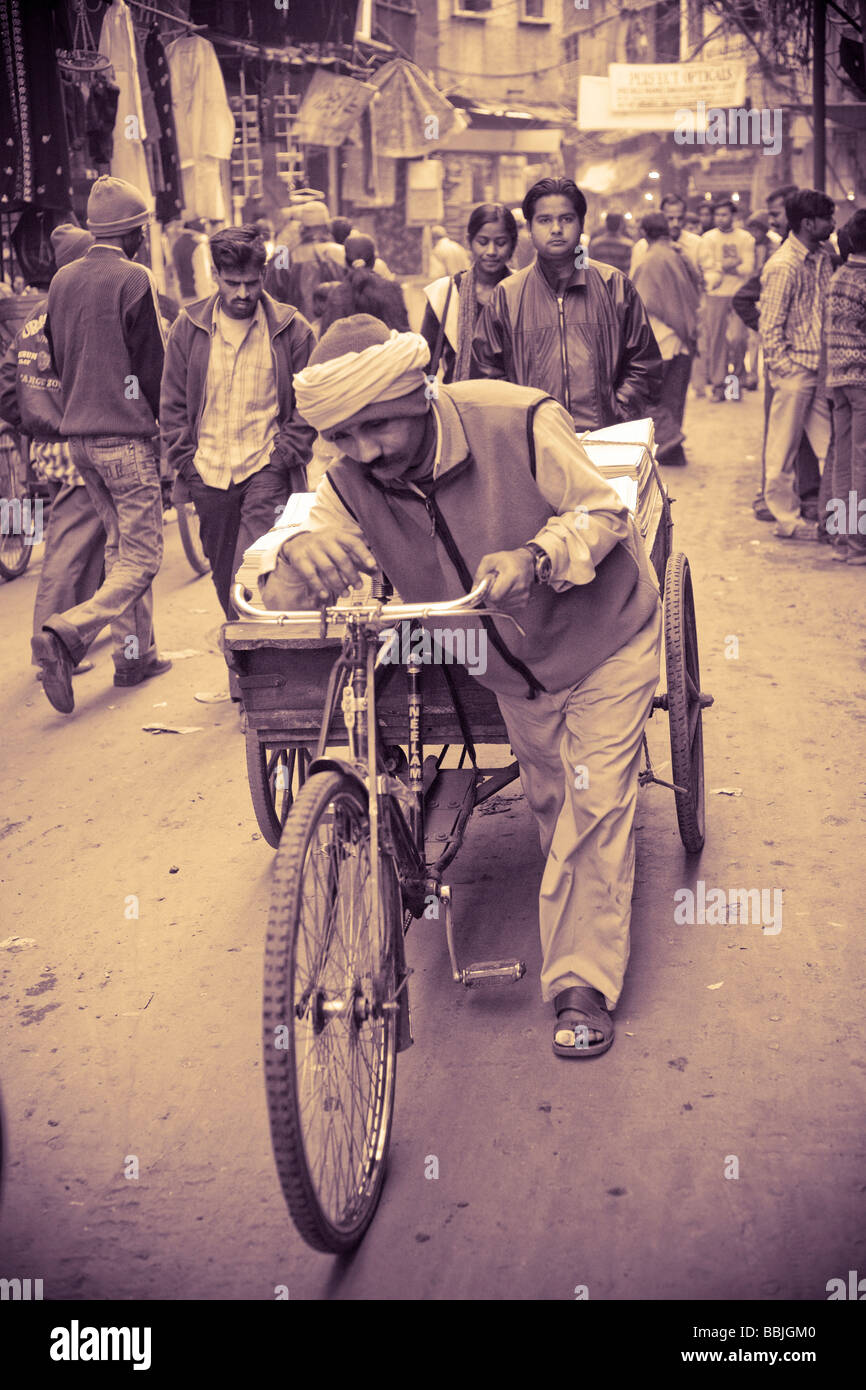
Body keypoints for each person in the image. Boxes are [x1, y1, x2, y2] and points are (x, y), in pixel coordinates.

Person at [257, 315, 663, 1060]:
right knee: (554, 804)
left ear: (417, 392)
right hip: (509, 672)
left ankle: (581, 981)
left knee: (596, 802)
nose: (363, 450)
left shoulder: (518, 418)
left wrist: (537, 557)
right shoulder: (351, 478)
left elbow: (605, 510)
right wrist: (300, 551)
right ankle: (580, 908)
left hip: (604, 642)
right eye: (343, 436)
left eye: (376, 426)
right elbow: (287, 574)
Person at [34, 176, 169, 714]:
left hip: (81, 440)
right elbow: (151, 367)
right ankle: (69, 630)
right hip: (124, 438)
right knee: (142, 558)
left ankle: (134, 657)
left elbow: (55, 351)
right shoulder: (134, 278)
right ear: (135, 232)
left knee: (119, 550)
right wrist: (167, 431)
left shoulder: (62, 280)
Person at [160, 225, 316, 619]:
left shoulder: (291, 329)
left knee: (250, 579)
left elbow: (311, 402)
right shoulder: (188, 327)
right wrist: (186, 463)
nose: (243, 293)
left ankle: (257, 668)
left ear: (264, 274)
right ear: (215, 275)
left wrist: (283, 456)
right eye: (232, 283)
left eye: (251, 282)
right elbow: (172, 401)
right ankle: (247, 673)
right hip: (207, 475)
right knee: (223, 579)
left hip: (266, 468)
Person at [472, 177, 662, 431]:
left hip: (605, 443)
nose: (556, 229)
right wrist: (521, 422)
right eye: (545, 220)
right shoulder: (506, 296)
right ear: (529, 228)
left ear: (581, 224)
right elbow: (486, 375)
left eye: (566, 219)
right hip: (535, 448)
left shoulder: (614, 286)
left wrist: (618, 411)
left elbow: (645, 363)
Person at [0, 224, 106, 677]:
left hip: (52, 447)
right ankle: (50, 647)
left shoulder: (32, 319)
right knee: (68, 548)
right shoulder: (79, 312)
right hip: (82, 445)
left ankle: (71, 639)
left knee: (93, 543)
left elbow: (8, 389)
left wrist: (37, 424)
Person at [759, 188, 835, 541]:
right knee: (782, 451)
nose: (833, 224)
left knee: (831, 446)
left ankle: (833, 519)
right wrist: (784, 369)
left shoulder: (821, 255)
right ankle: (787, 520)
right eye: (827, 218)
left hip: (820, 370)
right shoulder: (783, 265)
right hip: (795, 372)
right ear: (808, 222)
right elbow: (770, 326)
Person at [631, 213, 700, 467]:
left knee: (651, 399)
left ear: (644, 232)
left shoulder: (651, 259)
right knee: (673, 398)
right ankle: (671, 449)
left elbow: (641, 299)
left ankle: (670, 443)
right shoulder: (677, 254)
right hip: (681, 336)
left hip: (661, 339)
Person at [420, 203, 516, 384]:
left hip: (513, 406)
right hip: (458, 405)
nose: (491, 251)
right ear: (469, 242)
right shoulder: (445, 293)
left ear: (513, 244)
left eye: (501, 243)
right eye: (483, 242)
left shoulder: (523, 291)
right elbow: (426, 365)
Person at [824, 208, 866, 564]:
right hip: (862, 380)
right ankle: (858, 545)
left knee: (843, 459)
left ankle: (841, 537)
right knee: (861, 460)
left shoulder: (838, 277)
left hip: (838, 378)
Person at [696, 199, 755, 402]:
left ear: (733, 215)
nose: (721, 218)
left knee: (738, 339)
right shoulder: (707, 238)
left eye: (725, 214)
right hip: (715, 294)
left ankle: (736, 384)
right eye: (718, 214)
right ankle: (718, 386)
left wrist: (721, 266)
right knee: (716, 341)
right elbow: (706, 266)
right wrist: (733, 264)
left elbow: (748, 268)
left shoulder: (745, 238)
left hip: (739, 295)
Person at [264, 201, 345, 320]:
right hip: (334, 326)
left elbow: (272, 289)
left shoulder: (285, 254)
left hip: (298, 327)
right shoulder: (340, 252)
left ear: (301, 227)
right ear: (327, 226)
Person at [319, 234, 408, 336]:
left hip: (347, 351)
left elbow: (327, 339)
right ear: (374, 260)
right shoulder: (392, 290)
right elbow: (404, 333)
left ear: (345, 261)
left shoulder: (337, 294)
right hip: (389, 350)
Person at [629, 194, 703, 277]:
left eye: (680, 218)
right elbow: (635, 278)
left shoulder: (697, 243)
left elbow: (709, 273)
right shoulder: (642, 246)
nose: (676, 224)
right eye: (670, 218)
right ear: (661, 216)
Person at [171, 217, 215, 305]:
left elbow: (175, 277)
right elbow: (202, 278)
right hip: (198, 298)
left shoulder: (177, 244)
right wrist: (207, 304)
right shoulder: (198, 245)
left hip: (184, 297)